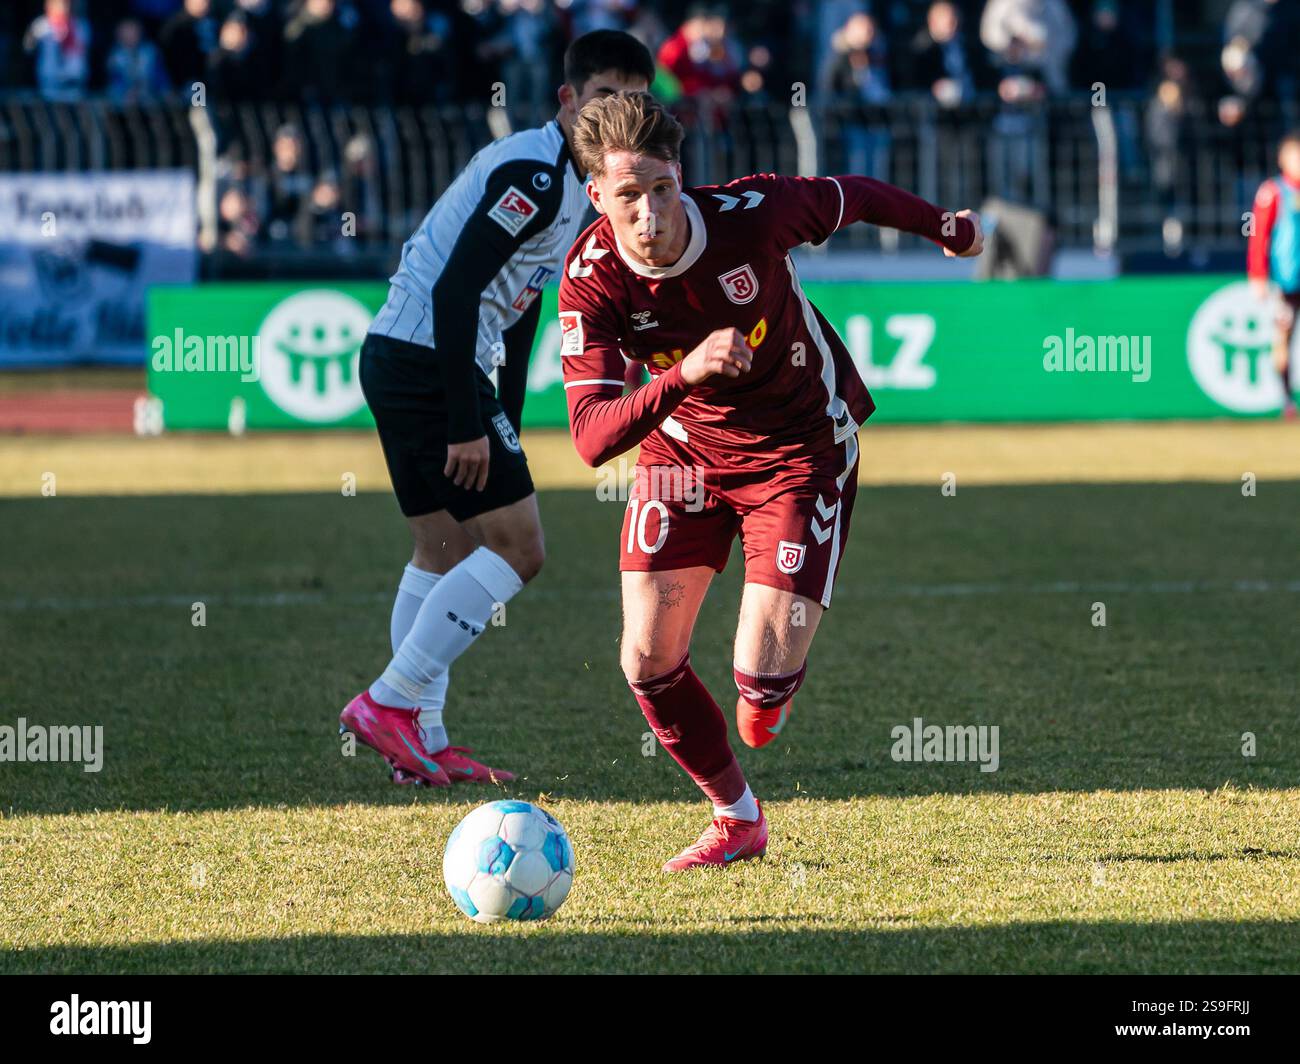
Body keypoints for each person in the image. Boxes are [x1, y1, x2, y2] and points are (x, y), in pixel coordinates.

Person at [558, 92, 982, 870]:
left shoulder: (752, 215)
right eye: (628, 197)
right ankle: (736, 817)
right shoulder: (590, 279)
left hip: (799, 447)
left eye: (660, 189)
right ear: (597, 196)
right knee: (646, 658)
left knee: (759, 687)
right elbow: (590, 439)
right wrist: (684, 375)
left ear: (678, 175)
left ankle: (767, 694)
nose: (650, 214)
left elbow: (851, 196)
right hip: (682, 457)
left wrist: (943, 227)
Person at [339, 31, 654, 788]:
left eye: (638, 102)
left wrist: (501, 417)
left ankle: (424, 739)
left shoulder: (579, 187)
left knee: (441, 548)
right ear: (569, 101)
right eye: (607, 98)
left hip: (405, 358)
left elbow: (518, 310)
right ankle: (388, 702)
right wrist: (467, 422)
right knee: (521, 550)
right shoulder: (540, 177)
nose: (623, 114)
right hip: (424, 360)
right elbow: (454, 292)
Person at [1247, 130, 1300, 418]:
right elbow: (1258, 236)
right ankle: (1286, 400)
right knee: (1283, 338)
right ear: (1283, 159)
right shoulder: (1273, 192)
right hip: (1286, 281)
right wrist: (1258, 275)